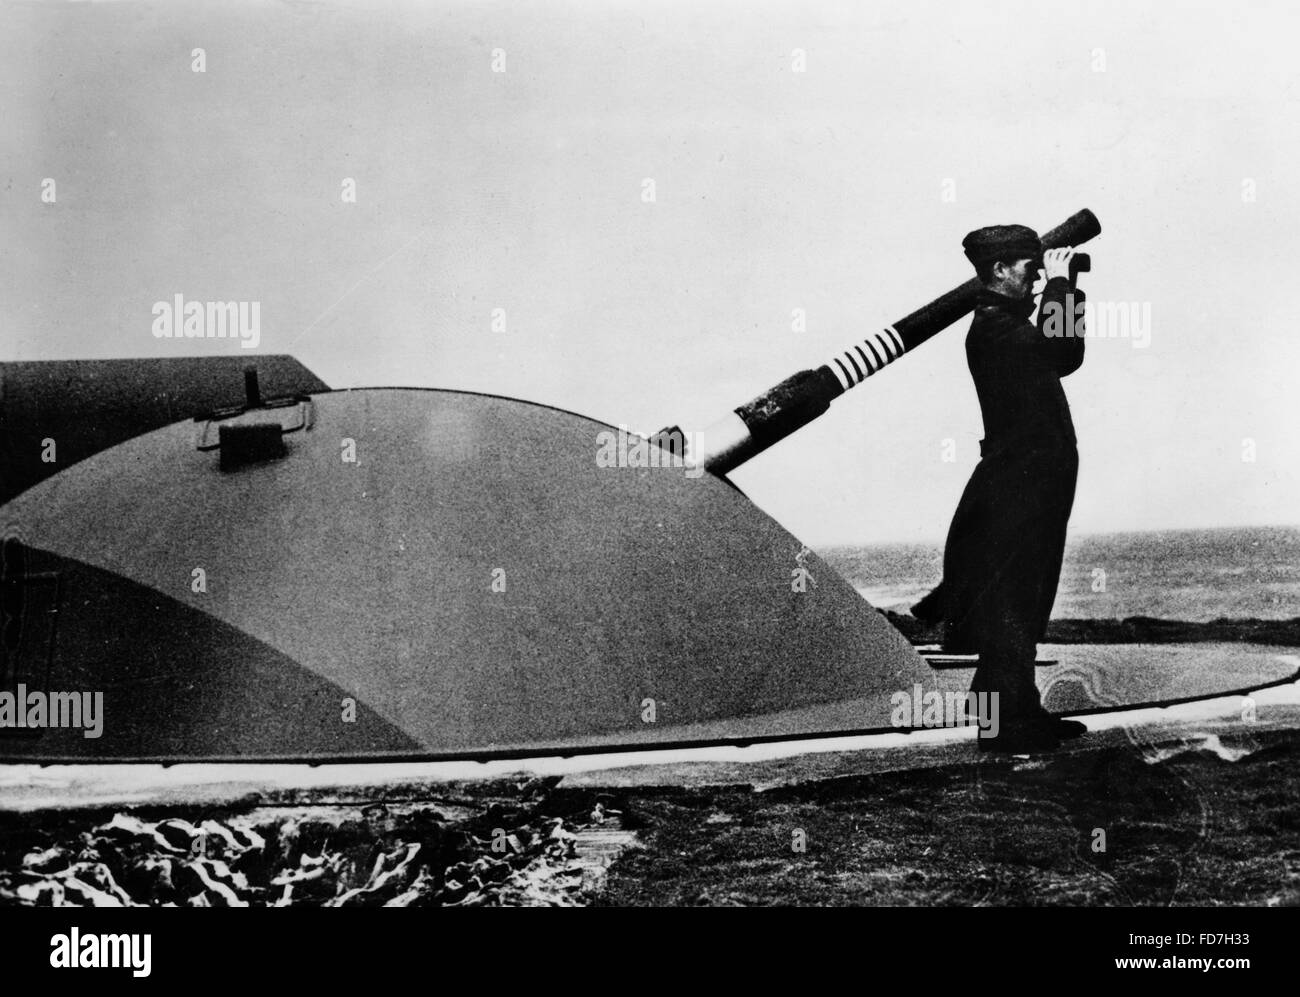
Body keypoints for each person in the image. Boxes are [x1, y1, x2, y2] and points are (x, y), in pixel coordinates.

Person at [911, 224, 1089, 753]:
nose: (1036, 279)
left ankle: (1013, 712)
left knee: (1021, 601)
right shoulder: (993, 330)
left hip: (1029, 486)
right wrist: (1064, 287)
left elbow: (1058, 350)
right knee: (1012, 603)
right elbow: (1065, 355)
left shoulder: (1005, 324)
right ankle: (1004, 723)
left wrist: (1063, 287)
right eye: (1031, 270)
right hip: (1019, 489)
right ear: (999, 270)